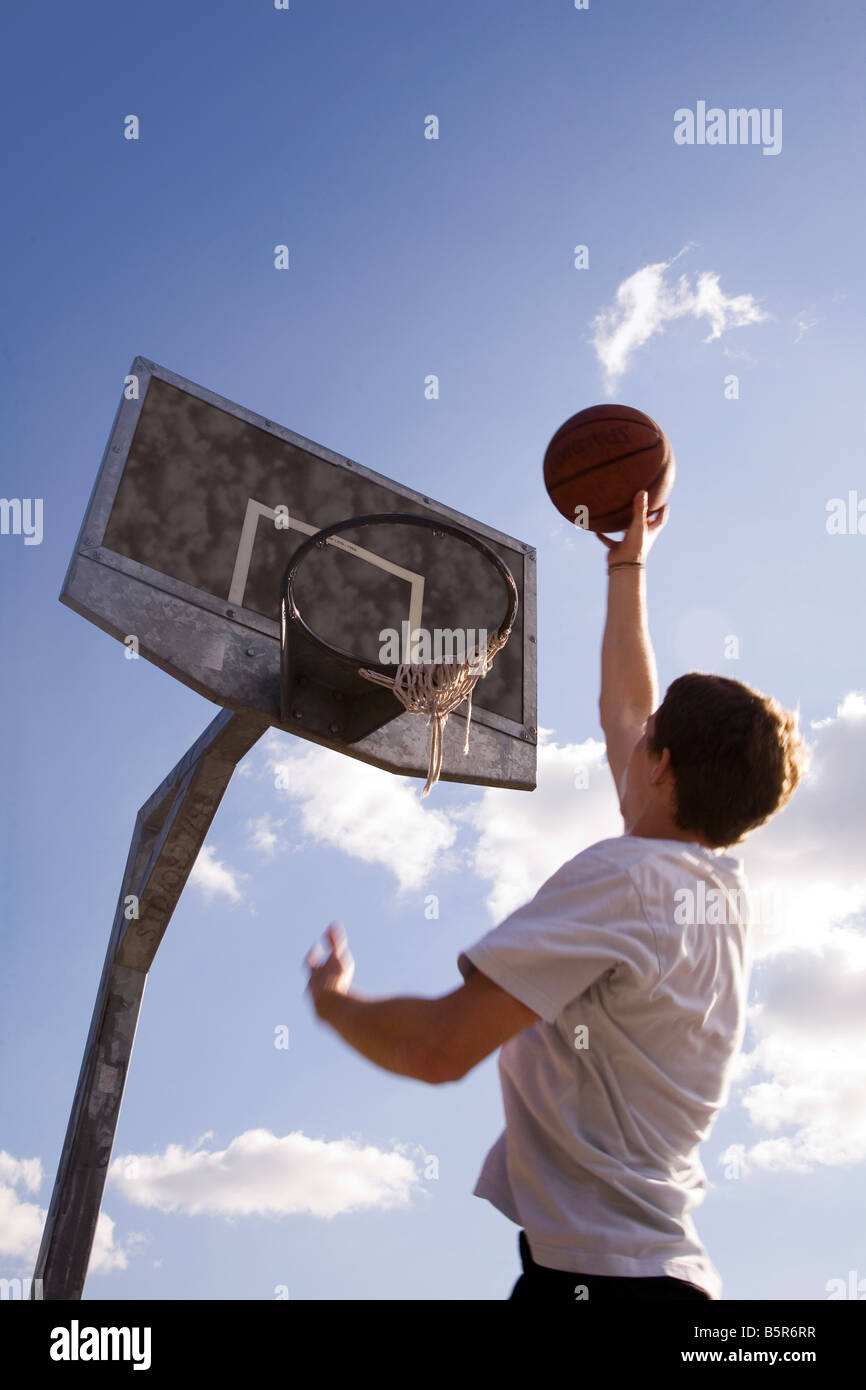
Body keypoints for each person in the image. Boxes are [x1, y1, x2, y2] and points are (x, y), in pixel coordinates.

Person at [305, 489, 807, 1301]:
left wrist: (336, 1006)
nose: (632, 739)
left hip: (607, 1283)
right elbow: (628, 713)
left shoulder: (628, 881)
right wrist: (626, 565)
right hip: (643, 1272)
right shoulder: (711, 890)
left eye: (649, 743)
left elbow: (440, 1049)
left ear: (666, 768)